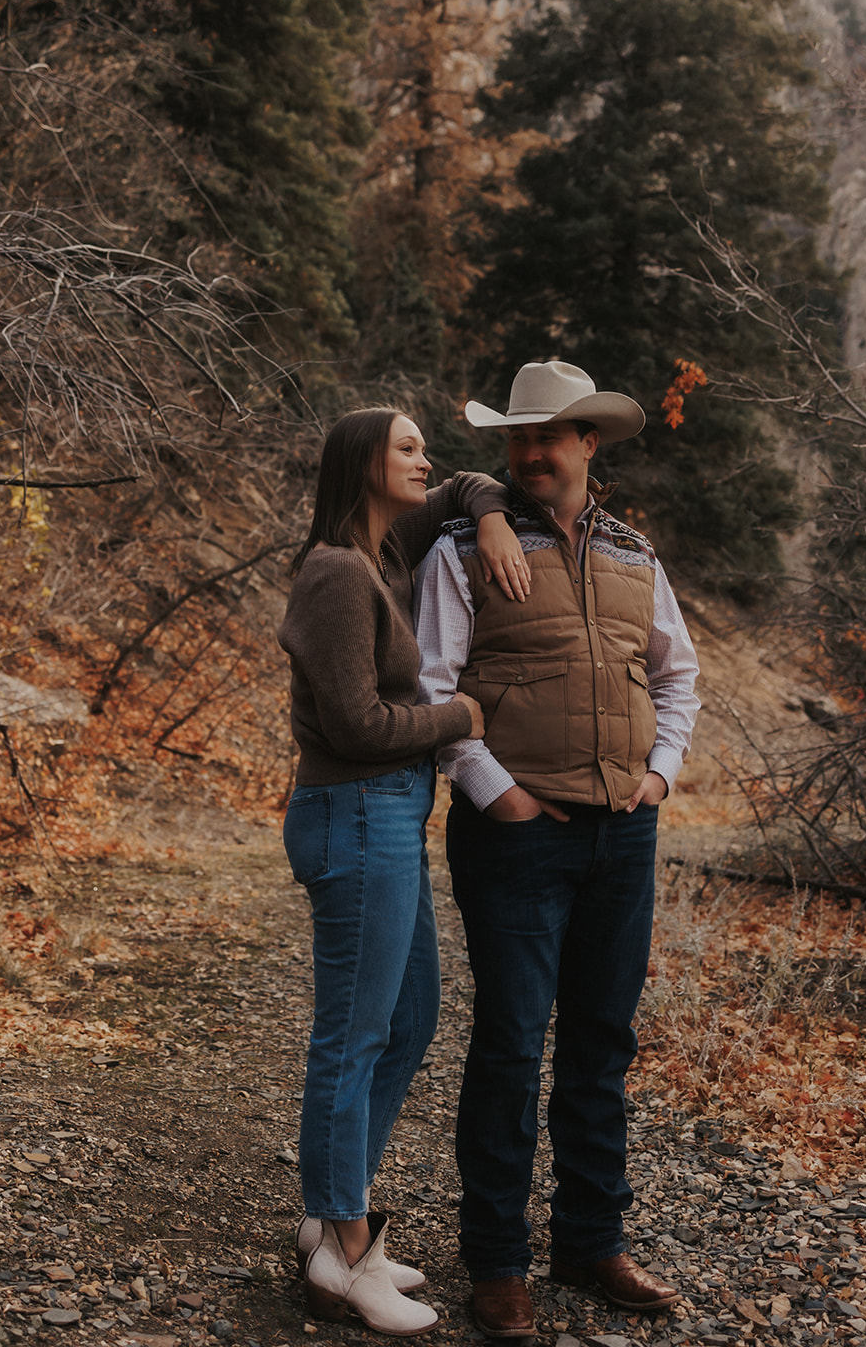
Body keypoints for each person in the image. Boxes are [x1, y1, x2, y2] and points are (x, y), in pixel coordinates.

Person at [414, 361, 700, 1339]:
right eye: (518, 437)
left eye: (553, 435)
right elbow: (429, 681)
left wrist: (658, 774)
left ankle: (589, 1238)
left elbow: (677, 674)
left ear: (589, 445)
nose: (533, 451)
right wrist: (497, 796)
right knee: (506, 1043)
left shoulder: (633, 552)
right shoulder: (461, 548)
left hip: (624, 835)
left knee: (599, 1043)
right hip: (516, 843)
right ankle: (494, 1261)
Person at [278, 405, 529, 1337]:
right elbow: (355, 726)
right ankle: (342, 1248)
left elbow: (468, 487)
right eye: (408, 448)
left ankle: (326, 1210)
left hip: (386, 816)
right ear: (362, 465)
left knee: (409, 1018)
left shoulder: (383, 550)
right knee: (351, 1035)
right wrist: (458, 718)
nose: (429, 461)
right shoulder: (338, 573)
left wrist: (494, 513)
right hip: (352, 814)